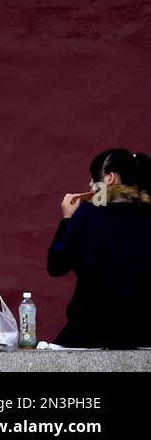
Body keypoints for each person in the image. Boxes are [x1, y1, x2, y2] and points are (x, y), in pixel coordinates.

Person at [48, 148, 151, 348]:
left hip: (91, 331)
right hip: (144, 333)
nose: (89, 185)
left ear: (109, 179)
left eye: (93, 179)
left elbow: (56, 265)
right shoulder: (147, 216)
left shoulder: (89, 214)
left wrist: (68, 219)